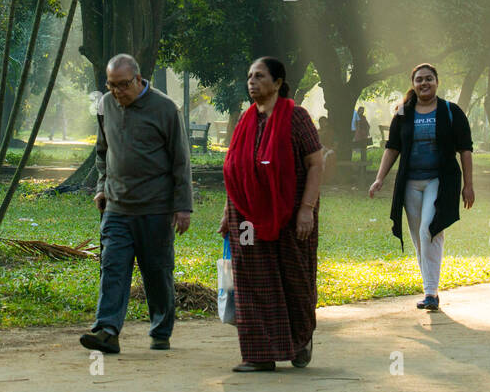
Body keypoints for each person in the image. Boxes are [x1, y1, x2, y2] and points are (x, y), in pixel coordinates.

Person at [80, 54, 193, 355]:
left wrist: (183, 206)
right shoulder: (106, 105)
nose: (117, 92)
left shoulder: (166, 108)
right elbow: (102, 151)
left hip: (155, 208)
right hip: (117, 206)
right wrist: (102, 187)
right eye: (111, 85)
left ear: (139, 79)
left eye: (123, 85)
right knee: (113, 268)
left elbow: (180, 161)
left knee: (156, 272)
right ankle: (107, 330)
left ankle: (161, 329)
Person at [219, 57, 324, 372]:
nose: (252, 81)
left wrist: (306, 209)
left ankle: (300, 339)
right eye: (249, 75)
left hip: (290, 213)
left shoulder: (297, 118)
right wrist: (228, 211)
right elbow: (236, 170)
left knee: (295, 278)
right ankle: (259, 354)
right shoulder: (245, 120)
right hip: (247, 216)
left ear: (277, 82)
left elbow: (316, 164)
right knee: (252, 279)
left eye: (260, 76)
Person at [369, 63, 475, 312]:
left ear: (437, 82)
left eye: (429, 79)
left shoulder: (451, 111)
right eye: (419, 80)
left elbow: (465, 150)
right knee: (419, 237)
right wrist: (379, 178)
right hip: (410, 183)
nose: (424, 83)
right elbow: (392, 147)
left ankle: (430, 293)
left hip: (440, 180)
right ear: (413, 84)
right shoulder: (404, 113)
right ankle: (430, 290)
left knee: (430, 229)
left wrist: (469, 185)